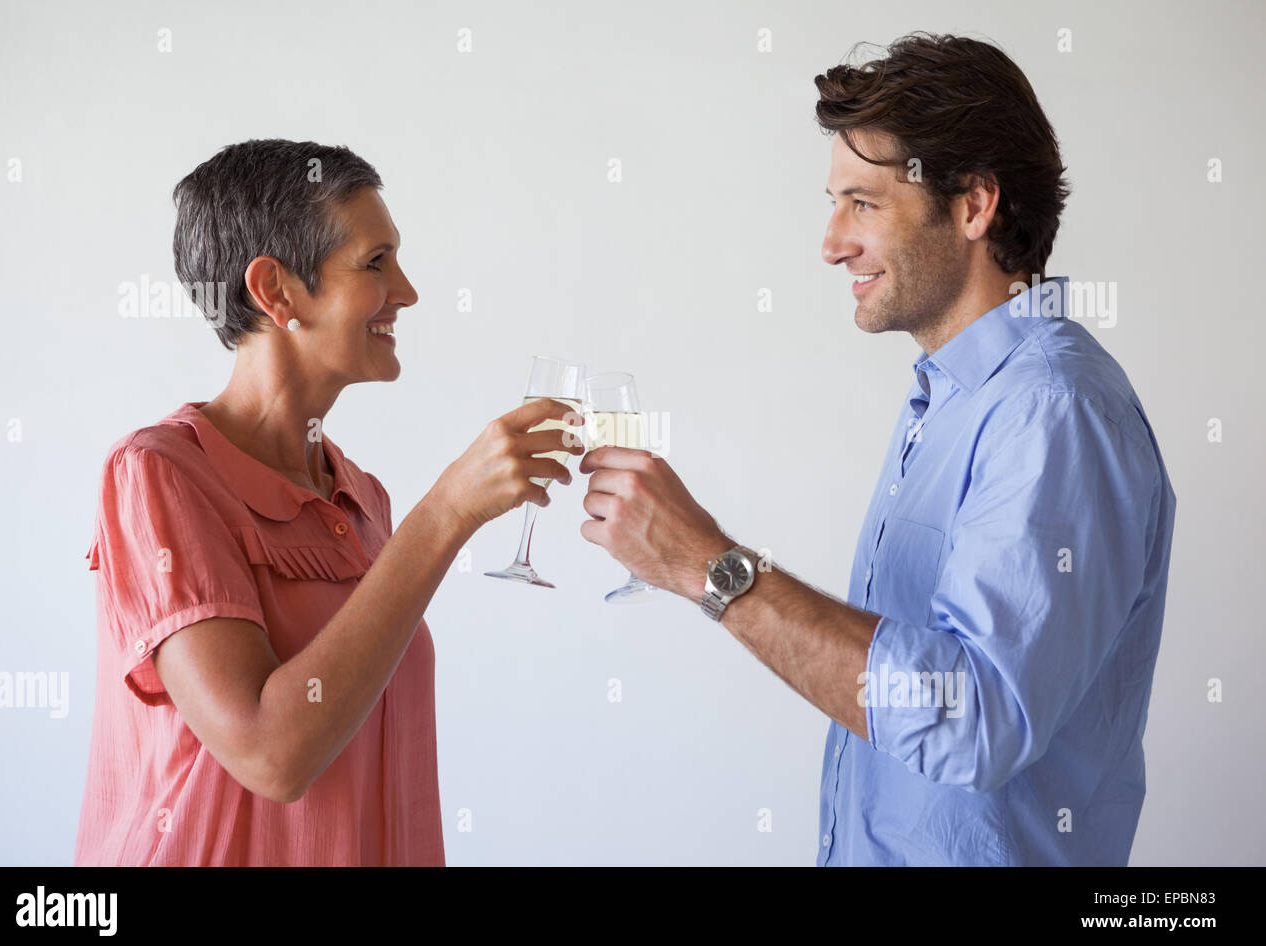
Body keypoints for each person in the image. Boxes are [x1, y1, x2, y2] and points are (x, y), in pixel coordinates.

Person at [577, 32, 1177, 865]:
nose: (830, 242)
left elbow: (975, 720)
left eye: (863, 203)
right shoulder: (952, 397)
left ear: (973, 206)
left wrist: (708, 566)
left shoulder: (1053, 411)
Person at [75, 139, 578, 865]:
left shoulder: (361, 497)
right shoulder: (159, 475)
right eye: (376, 263)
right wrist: (447, 514)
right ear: (276, 291)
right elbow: (270, 754)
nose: (406, 292)